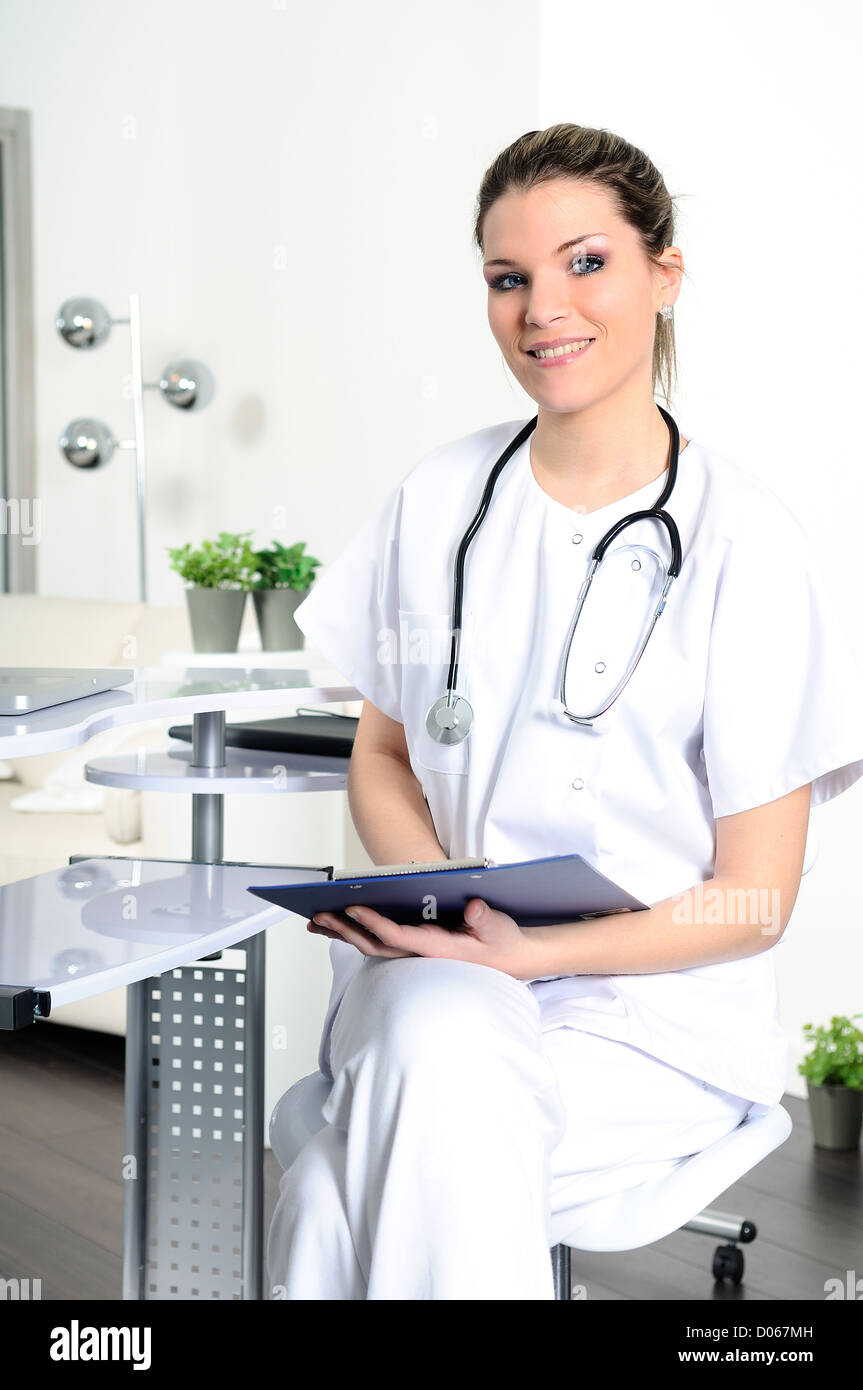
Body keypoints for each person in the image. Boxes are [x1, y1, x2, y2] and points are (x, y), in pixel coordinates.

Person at [266, 123, 863, 1300]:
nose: (544, 307)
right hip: (443, 969)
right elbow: (381, 752)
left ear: (664, 274)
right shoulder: (438, 500)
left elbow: (755, 897)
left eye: (584, 262)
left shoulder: (745, 541)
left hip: (648, 1019)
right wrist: (437, 900)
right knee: (437, 1046)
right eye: (508, 278)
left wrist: (524, 952)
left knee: (340, 1185)